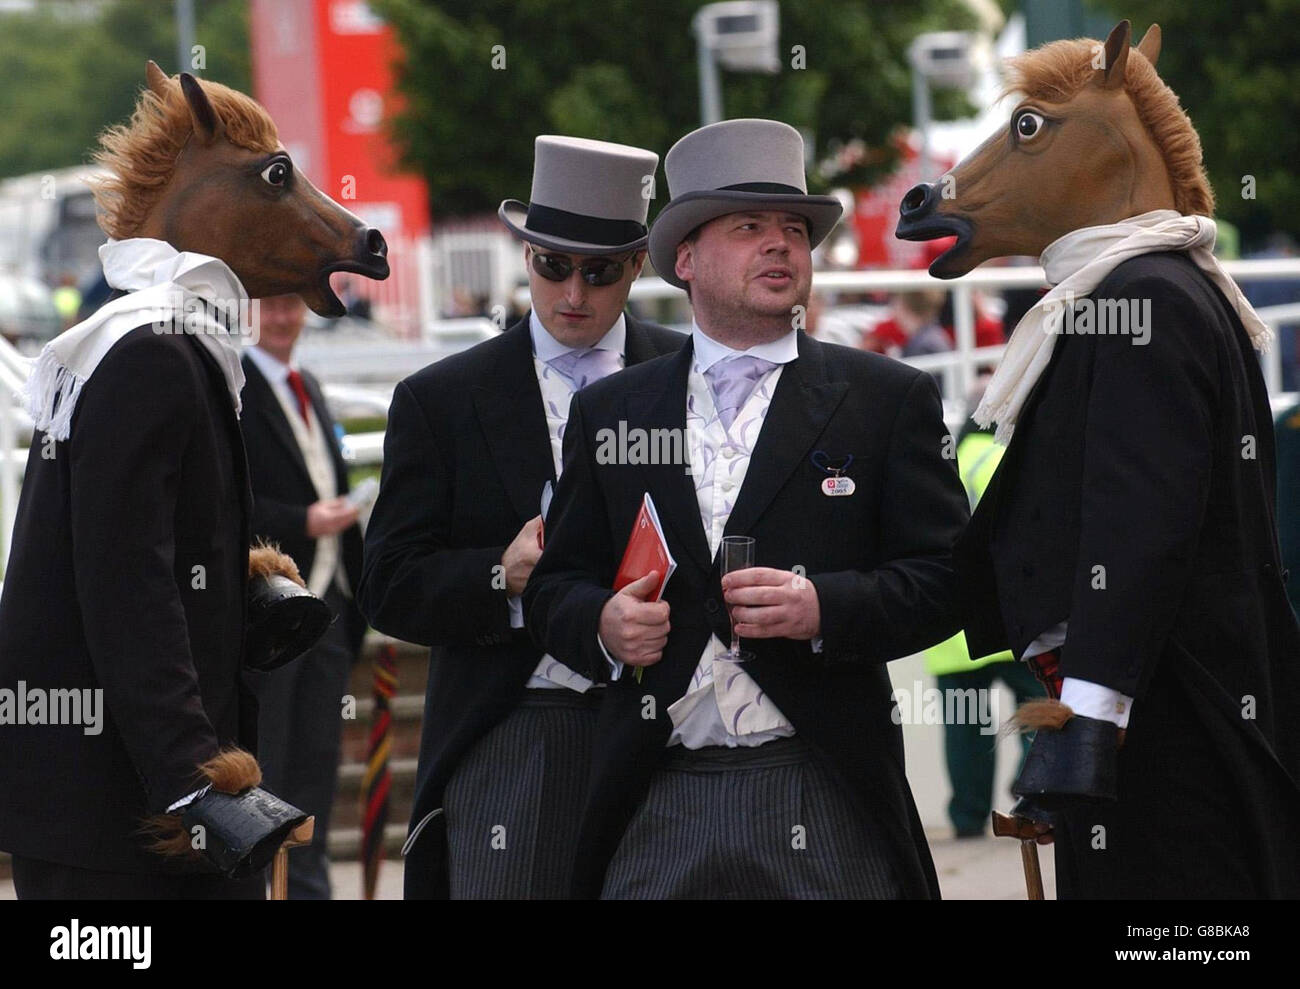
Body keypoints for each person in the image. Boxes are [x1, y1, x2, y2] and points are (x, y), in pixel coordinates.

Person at [524, 118, 969, 899]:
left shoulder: (886, 399)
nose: (780, 244)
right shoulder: (611, 411)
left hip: (824, 786)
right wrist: (601, 622)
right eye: (749, 226)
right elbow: (555, 585)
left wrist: (825, 606)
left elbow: (946, 580)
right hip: (655, 791)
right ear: (686, 260)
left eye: (794, 229)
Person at [358, 135, 682, 899]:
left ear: (637, 265)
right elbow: (386, 583)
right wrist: (501, 576)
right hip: (517, 728)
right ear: (525, 254)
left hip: (665, 725)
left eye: (598, 271)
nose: (574, 291)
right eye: (551, 265)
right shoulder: (441, 399)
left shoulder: (689, 377)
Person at [241, 293, 367, 899]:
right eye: (270, 306)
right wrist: (303, 520)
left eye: (292, 304)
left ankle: (310, 889)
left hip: (328, 613)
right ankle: (267, 884)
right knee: (270, 763)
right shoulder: (235, 390)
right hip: (273, 612)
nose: (284, 317)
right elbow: (228, 502)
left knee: (318, 764)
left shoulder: (308, 385)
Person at [923, 407, 1044, 838]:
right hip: (1006, 623)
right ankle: (1036, 797)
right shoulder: (999, 455)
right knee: (1040, 714)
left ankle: (967, 819)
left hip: (949, 630)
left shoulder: (945, 463)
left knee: (966, 731)